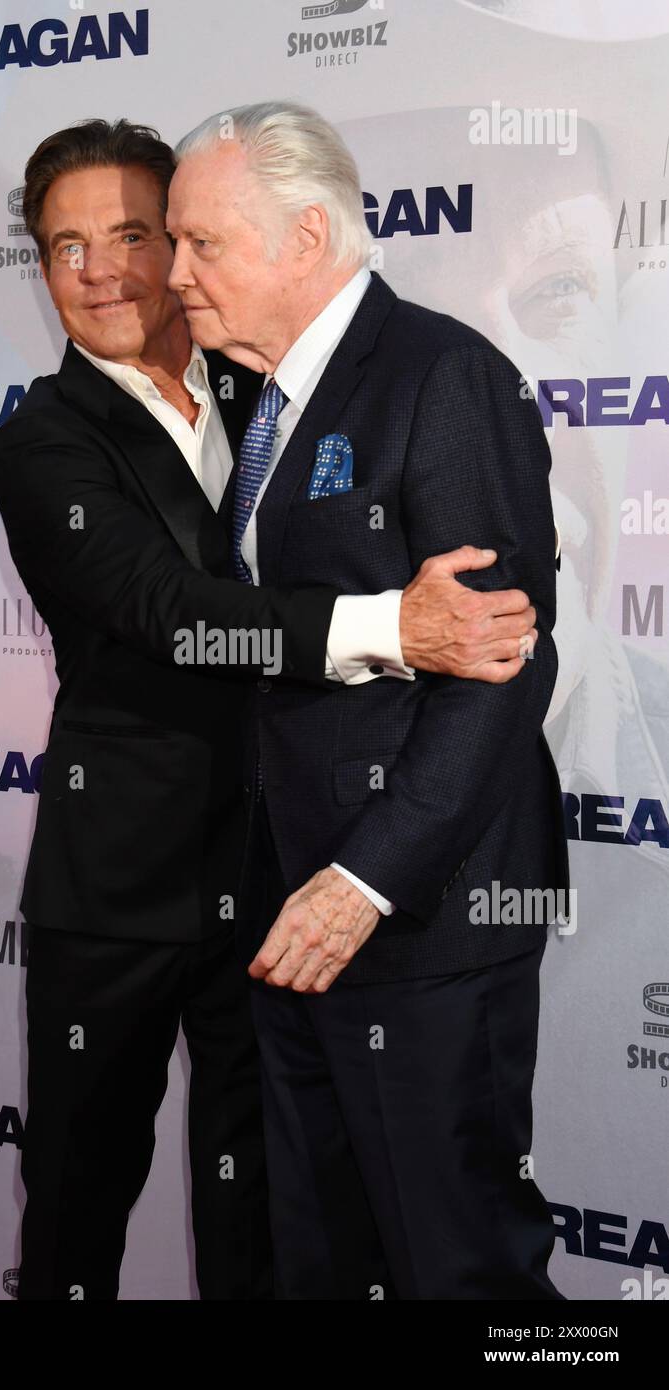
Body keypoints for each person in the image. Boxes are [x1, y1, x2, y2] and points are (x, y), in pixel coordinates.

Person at [0, 118, 539, 1300]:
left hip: (281, 883)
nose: (120, 273)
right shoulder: (42, 438)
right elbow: (179, 614)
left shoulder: (283, 383)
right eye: (64, 247)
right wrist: (392, 625)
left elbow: (504, 648)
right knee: (79, 1209)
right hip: (126, 888)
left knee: (276, 1228)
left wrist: (363, 865)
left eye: (149, 234)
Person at [166, 100, 569, 1299]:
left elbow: (505, 669)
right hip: (295, 907)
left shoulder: (441, 375)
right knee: (320, 1260)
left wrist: (367, 879)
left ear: (304, 237)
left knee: (464, 1271)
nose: (173, 273)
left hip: (419, 911)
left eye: (201, 244)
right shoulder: (261, 399)